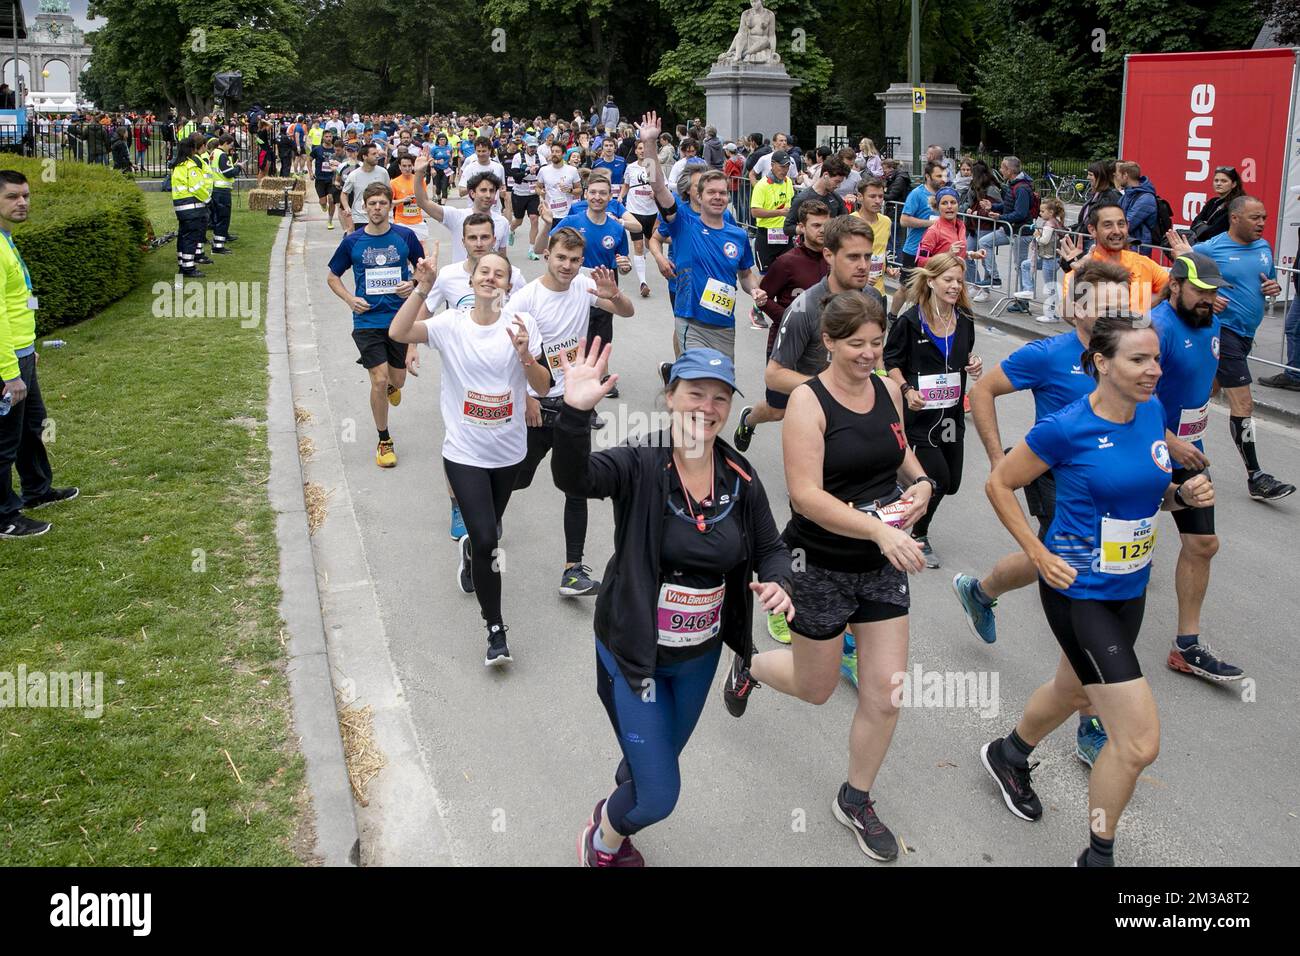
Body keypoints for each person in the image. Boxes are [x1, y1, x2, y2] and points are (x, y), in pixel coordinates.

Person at [981, 313, 1215, 867]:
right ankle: (1098, 855)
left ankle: (1008, 754)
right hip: (1078, 590)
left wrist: (1183, 501)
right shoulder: (1066, 427)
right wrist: (1038, 554)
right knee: (1137, 742)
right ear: (1102, 364)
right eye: (1139, 359)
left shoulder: (1151, 412)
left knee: (1074, 690)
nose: (1154, 369)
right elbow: (999, 483)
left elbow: (1146, 500)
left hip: (1129, 587)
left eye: (1156, 358)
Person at [551, 340, 793, 867]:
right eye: (694, 393)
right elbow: (574, 478)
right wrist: (573, 413)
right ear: (669, 397)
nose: (706, 408)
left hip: (697, 658)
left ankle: (625, 794)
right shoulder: (640, 461)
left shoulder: (741, 478)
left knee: (648, 768)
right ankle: (603, 839)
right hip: (633, 651)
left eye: (719, 398)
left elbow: (772, 548)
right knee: (659, 793)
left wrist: (779, 582)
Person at [724, 290, 934, 862]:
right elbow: (806, 497)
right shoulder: (808, 404)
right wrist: (879, 531)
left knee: (886, 694)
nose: (869, 354)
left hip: (881, 566)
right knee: (816, 689)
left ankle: (856, 797)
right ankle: (750, 664)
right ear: (829, 343)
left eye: (876, 343)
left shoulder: (889, 390)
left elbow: (899, 454)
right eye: (856, 345)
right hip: (819, 565)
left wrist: (921, 484)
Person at [951, 257, 1132, 766]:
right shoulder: (1049, 355)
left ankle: (979, 590)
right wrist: (995, 459)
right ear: (1076, 309)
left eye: (1123, 305)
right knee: (1082, 587)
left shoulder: (1132, 355)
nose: (1117, 315)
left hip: (1115, 488)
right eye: (1105, 306)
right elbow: (983, 389)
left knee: (1046, 560)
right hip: (1058, 481)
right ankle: (1089, 719)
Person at [389, 251, 550, 665]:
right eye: (484, 272)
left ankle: (472, 555)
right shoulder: (450, 325)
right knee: (487, 537)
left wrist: (525, 355)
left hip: (509, 451)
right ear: (472, 278)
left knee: (490, 528)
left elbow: (544, 387)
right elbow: (399, 331)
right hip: (463, 451)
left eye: (500, 274)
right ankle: (495, 628)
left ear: (508, 285)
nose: (491, 279)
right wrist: (423, 289)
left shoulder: (523, 325)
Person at [508, 230, 633, 597]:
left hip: (574, 406)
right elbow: (511, 355)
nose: (567, 266)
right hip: (537, 408)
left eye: (574, 260)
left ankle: (572, 571)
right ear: (547, 254)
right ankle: (478, 531)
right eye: (561, 257)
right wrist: (526, 398)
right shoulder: (526, 298)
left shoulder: (583, 286)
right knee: (516, 480)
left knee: (575, 487)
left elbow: (627, 311)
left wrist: (615, 295)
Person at [1146, 252, 1247, 681]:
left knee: (1203, 544)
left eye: (1213, 292)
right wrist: (1172, 442)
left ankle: (1186, 646)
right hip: (1145, 451)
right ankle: (989, 588)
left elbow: (1205, 378)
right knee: (1108, 546)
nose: (1209, 299)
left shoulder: (1211, 323)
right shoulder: (1155, 330)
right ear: (1175, 287)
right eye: (1200, 291)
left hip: (1190, 453)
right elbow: (1130, 397)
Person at [1167, 197, 1295, 501]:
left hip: (1246, 335)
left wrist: (1272, 290)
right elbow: (1181, 279)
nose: (1262, 223)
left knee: (1205, 392)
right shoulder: (1211, 248)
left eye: (1264, 217)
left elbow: (1267, 284)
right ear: (1235, 218)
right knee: (1243, 403)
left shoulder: (1264, 248)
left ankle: (1163, 432)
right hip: (1223, 333)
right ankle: (1256, 476)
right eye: (1255, 218)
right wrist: (1209, 296)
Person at [639, 113, 765, 361]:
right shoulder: (683, 223)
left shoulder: (737, 234)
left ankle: (673, 377)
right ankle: (676, 376)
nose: (718, 197)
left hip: (724, 322)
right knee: (697, 377)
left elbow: (746, 274)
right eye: (711, 192)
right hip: (691, 320)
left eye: (723, 193)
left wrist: (756, 290)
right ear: (698, 195)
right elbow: (657, 186)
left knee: (722, 382)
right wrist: (651, 144)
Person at [884, 252, 982, 568]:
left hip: (951, 416)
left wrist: (974, 362)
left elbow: (965, 354)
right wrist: (906, 390)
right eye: (948, 280)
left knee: (951, 483)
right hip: (920, 416)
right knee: (937, 477)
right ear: (931, 280)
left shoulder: (964, 318)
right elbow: (891, 362)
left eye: (959, 281)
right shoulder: (911, 321)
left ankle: (905, 482)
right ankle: (919, 536)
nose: (955, 286)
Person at [0, 170, 79, 540]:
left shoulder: (6, 241)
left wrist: (29, 351)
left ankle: (37, 490)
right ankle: (5, 516)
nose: (22, 203)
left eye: (26, 195)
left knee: (34, 427)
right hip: (8, 362)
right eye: (13, 197)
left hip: (22, 353)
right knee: (5, 441)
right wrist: (9, 372)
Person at [325, 183, 422, 469]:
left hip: (399, 320)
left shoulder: (405, 236)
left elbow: (425, 270)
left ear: (390, 206)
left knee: (397, 380)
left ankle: (392, 385)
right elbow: (332, 277)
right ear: (364, 208)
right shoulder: (353, 242)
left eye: (382, 203)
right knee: (378, 380)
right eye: (372, 204)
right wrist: (350, 299)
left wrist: (413, 283)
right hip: (367, 320)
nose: (377, 208)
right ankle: (384, 440)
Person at [548, 173, 633, 395]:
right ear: (586, 194)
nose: (597, 197)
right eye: (593, 192)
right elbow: (549, 248)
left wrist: (625, 265)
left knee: (602, 335)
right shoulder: (572, 222)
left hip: (602, 289)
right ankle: (571, 380)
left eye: (602, 193)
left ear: (610, 197)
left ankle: (601, 375)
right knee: (575, 335)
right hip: (573, 288)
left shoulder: (617, 229)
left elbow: (621, 260)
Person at [1058, 203, 1167, 318]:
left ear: (1127, 226)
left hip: (1139, 334)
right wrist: (1080, 274)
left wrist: (1146, 306)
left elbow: (1174, 288)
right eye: (1108, 225)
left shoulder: (1143, 263)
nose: (1116, 231)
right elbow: (1070, 316)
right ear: (1092, 230)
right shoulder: (1080, 270)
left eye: (1121, 224)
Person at [753, 199, 831, 359]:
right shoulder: (786, 261)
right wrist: (791, 320)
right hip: (786, 342)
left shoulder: (834, 260)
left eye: (826, 225)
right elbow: (762, 298)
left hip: (821, 346)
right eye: (816, 225)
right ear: (801, 227)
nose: (823, 230)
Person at [412, 156, 509, 261]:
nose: (488, 195)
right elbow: (423, 202)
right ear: (472, 193)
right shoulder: (457, 217)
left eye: (492, 191)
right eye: (483, 190)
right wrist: (419, 173)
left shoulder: (502, 222)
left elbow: (502, 257)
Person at [975, 156, 1035, 299]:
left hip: (1021, 232)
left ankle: (1023, 299)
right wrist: (993, 206)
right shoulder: (1014, 185)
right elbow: (1009, 205)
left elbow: (1020, 213)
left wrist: (1000, 218)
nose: (1000, 170)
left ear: (1009, 170)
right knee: (984, 242)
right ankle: (994, 277)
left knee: (1020, 266)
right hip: (1010, 230)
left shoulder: (1021, 188)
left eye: (1002, 168)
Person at [893, 159, 946, 319]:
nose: (942, 179)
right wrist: (931, 224)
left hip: (937, 252)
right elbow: (904, 220)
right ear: (927, 176)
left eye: (943, 175)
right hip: (915, 250)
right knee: (906, 288)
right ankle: (892, 316)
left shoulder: (944, 195)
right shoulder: (917, 194)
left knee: (932, 288)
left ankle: (925, 321)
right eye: (938, 176)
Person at [1009, 196, 1066, 320]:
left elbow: (1044, 240)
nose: (1040, 214)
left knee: (1050, 286)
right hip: (1045, 257)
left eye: (1042, 211)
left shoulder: (1050, 224)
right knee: (1025, 265)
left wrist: (1037, 236)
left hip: (1050, 258)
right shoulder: (1053, 222)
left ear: (1050, 212)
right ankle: (1029, 290)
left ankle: (1052, 315)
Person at [749, 150, 797, 282]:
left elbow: (791, 203)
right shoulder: (762, 186)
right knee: (765, 275)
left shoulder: (788, 182)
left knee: (787, 273)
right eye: (782, 166)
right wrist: (780, 212)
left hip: (785, 234)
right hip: (766, 235)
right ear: (772, 165)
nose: (785, 170)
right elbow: (755, 212)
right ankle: (760, 303)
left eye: (787, 167)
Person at [169, 135, 212, 278]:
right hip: (192, 207)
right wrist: (207, 199)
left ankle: (183, 263)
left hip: (181, 206)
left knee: (183, 236)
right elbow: (197, 187)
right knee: (191, 238)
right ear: (192, 149)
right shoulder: (190, 166)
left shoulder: (178, 166)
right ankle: (188, 268)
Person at [619, 140, 657, 297]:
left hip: (651, 212)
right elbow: (626, 185)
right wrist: (620, 197)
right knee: (639, 246)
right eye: (640, 149)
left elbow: (660, 186)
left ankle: (638, 259)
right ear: (635, 151)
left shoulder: (652, 166)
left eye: (645, 149)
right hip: (634, 211)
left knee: (652, 245)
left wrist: (656, 193)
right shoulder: (631, 167)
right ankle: (643, 283)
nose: (642, 151)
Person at [916, 186, 987, 267]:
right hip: (940, 278)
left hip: (957, 277)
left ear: (958, 205)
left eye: (953, 202)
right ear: (937, 207)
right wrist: (947, 255)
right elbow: (921, 261)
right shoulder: (933, 231)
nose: (949, 206)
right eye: (944, 203)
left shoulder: (961, 225)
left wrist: (972, 254)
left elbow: (956, 253)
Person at [783, 155, 848, 237]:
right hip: (809, 247)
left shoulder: (835, 197)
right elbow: (787, 228)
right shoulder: (802, 198)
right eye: (836, 181)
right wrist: (809, 229)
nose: (838, 186)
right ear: (825, 175)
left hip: (831, 247)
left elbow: (845, 222)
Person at [853, 177, 895, 297]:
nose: (878, 201)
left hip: (880, 292)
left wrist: (888, 268)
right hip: (855, 292)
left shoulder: (886, 221)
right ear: (860, 197)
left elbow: (881, 251)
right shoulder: (850, 221)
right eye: (872, 196)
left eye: (881, 196)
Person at [342, 143, 392, 232]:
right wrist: (346, 207)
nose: (377, 156)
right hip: (360, 217)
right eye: (373, 154)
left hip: (379, 215)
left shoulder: (383, 172)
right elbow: (344, 193)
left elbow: (389, 193)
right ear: (364, 156)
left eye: (377, 153)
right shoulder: (354, 175)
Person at [1188, 167, 1244, 242]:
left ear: (1233, 184)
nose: (1218, 184)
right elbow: (1194, 224)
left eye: (1224, 181)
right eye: (1216, 180)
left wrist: (1204, 226)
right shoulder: (1212, 202)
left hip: (1221, 247)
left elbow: (1216, 232)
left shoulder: (1237, 205)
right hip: (1204, 244)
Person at [506, 139, 543, 250]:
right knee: (518, 220)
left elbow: (545, 171)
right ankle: (511, 230)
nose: (533, 149)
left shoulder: (540, 157)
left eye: (535, 147)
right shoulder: (518, 157)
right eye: (531, 147)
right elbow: (515, 175)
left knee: (534, 219)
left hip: (533, 192)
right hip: (519, 192)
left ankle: (532, 249)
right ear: (526, 146)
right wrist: (528, 171)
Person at [207, 134, 241, 254]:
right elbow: (228, 173)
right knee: (223, 218)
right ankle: (218, 246)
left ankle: (218, 243)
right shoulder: (222, 155)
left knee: (218, 218)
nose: (231, 147)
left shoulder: (213, 153)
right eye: (231, 144)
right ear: (226, 143)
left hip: (215, 189)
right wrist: (238, 168)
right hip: (222, 191)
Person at [1117, 161, 1158, 253]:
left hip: (1137, 248)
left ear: (1125, 175)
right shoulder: (1127, 195)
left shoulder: (1146, 198)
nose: (1117, 179)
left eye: (1119, 175)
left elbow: (1128, 224)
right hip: (1127, 245)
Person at [311, 131, 342, 228]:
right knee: (323, 201)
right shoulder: (317, 149)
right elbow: (309, 159)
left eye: (330, 136)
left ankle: (330, 220)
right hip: (320, 178)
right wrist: (310, 172)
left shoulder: (335, 149)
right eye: (326, 136)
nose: (329, 138)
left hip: (332, 178)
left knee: (331, 199)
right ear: (323, 138)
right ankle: (323, 205)